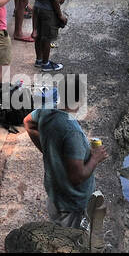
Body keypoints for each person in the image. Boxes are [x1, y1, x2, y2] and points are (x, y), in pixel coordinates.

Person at [26, 86, 107, 229]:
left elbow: (28, 122)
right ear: (79, 100)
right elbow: (77, 177)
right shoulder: (71, 131)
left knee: (58, 231)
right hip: (72, 205)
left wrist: (48, 150)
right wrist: (95, 158)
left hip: (56, 195)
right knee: (70, 242)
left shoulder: (47, 111)